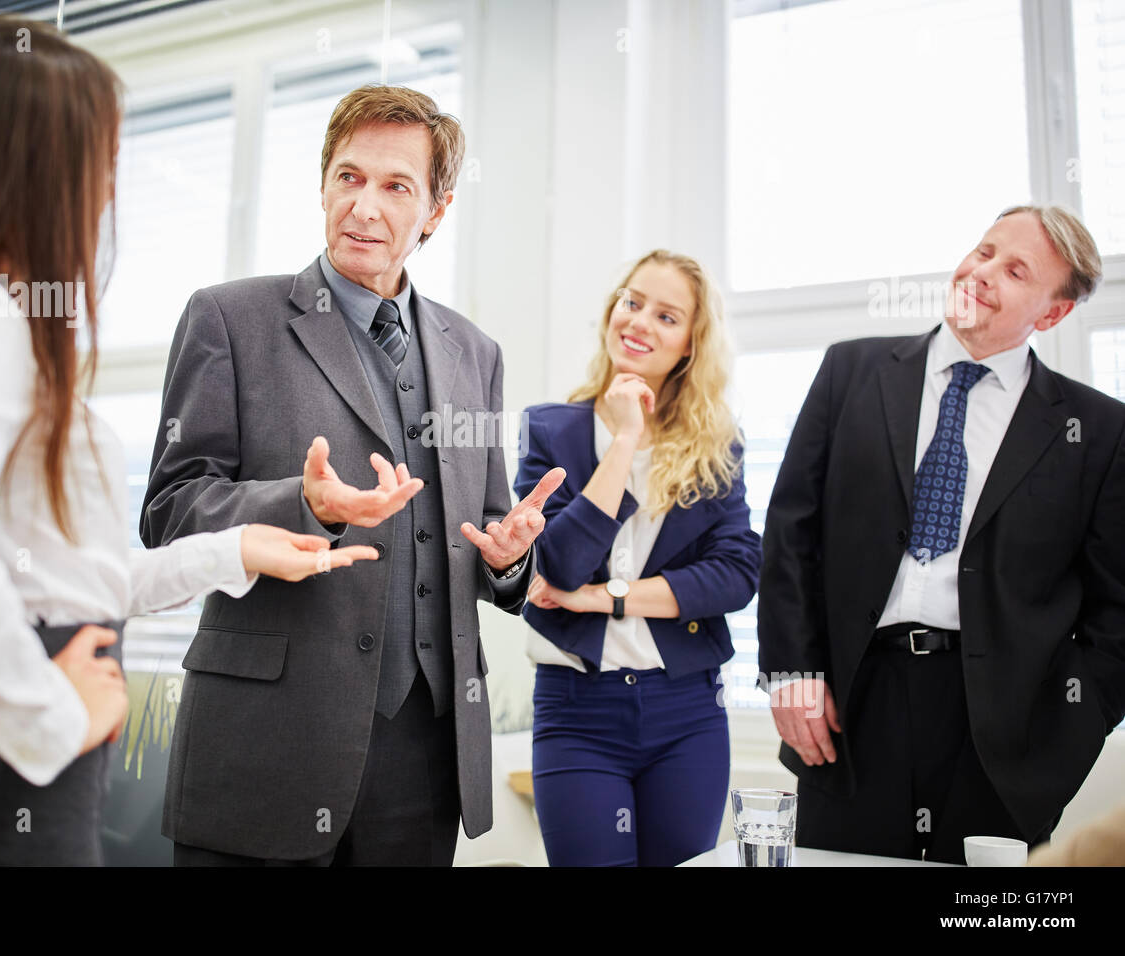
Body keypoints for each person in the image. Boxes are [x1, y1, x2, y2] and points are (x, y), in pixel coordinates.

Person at [0, 16, 377, 866]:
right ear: (21, 165)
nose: (107, 190)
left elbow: (62, 581)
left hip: (0, 761)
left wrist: (237, 548)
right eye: (97, 160)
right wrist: (54, 718)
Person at [140, 84, 565, 867]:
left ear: (435, 210)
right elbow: (169, 513)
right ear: (324, 184)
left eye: (396, 186)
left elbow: (486, 533)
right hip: (268, 742)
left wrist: (508, 560)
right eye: (349, 177)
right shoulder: (229, 319)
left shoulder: (476, 354)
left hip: (425, 754)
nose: (364, 206)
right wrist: (302, 505)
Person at [758, 205, 1125, 864]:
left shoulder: (1097, 431)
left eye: (1014, 270)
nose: (982, 272)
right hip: (853, 709)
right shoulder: (852, 372)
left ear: (1052, 314)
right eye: (984, 251)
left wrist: (1073, 725)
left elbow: (1118, 611)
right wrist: (791, 670)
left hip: (1005, 729)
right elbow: (791, 533)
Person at [516, 250, 761, 866]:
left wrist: (609, 598)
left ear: (690, 346)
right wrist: (624, 441)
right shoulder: (552, 430)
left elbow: (736, 573)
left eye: (666, 316)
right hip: (578, 710)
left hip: (687, 712)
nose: (641, 322)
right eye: (632, 302)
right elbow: (560, 565)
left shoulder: (716, 443)